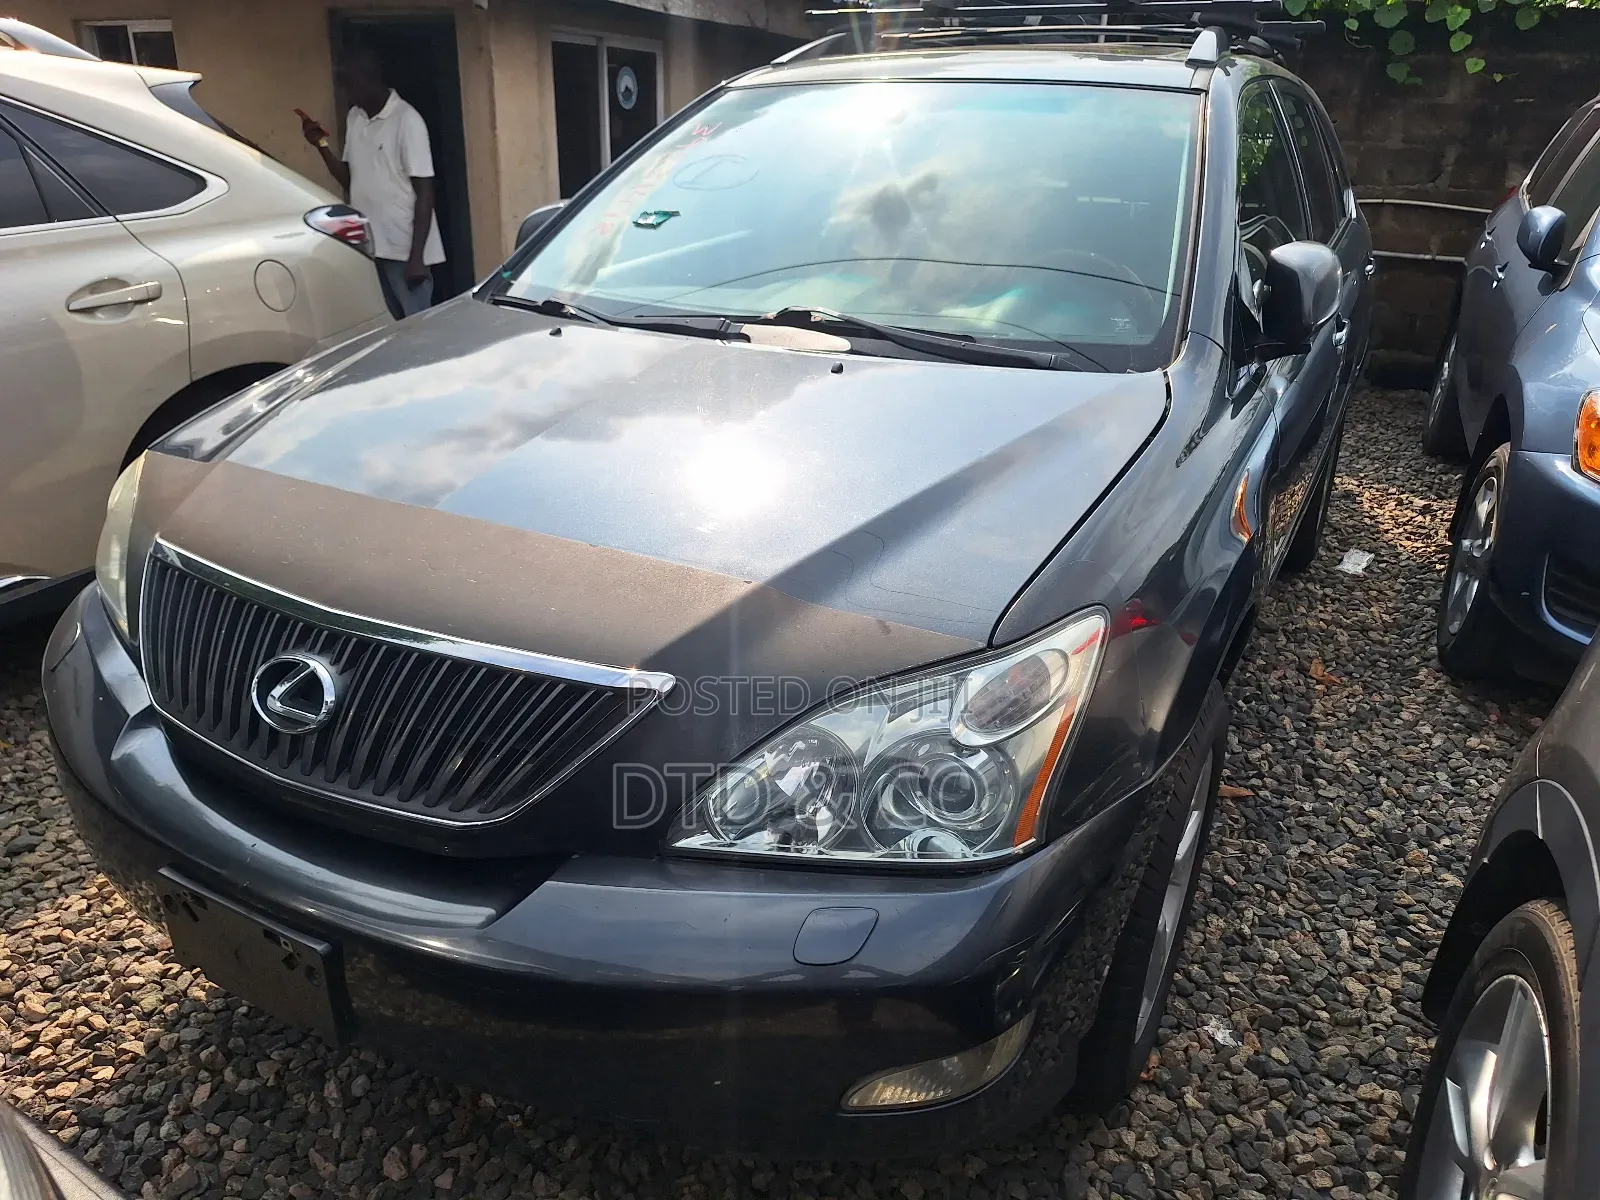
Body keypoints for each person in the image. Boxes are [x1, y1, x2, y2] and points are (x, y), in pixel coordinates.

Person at [300, 49, 444, 319]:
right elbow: (349, 179)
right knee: (391, 328)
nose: (344, 93)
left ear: (368, 80)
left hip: (404, 250)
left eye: (348, 85)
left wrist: (417, 257)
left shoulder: (407, 120)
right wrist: (320, 145)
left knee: (418, 327)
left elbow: (425, 192)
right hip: (372, 246)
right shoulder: (355, 117)